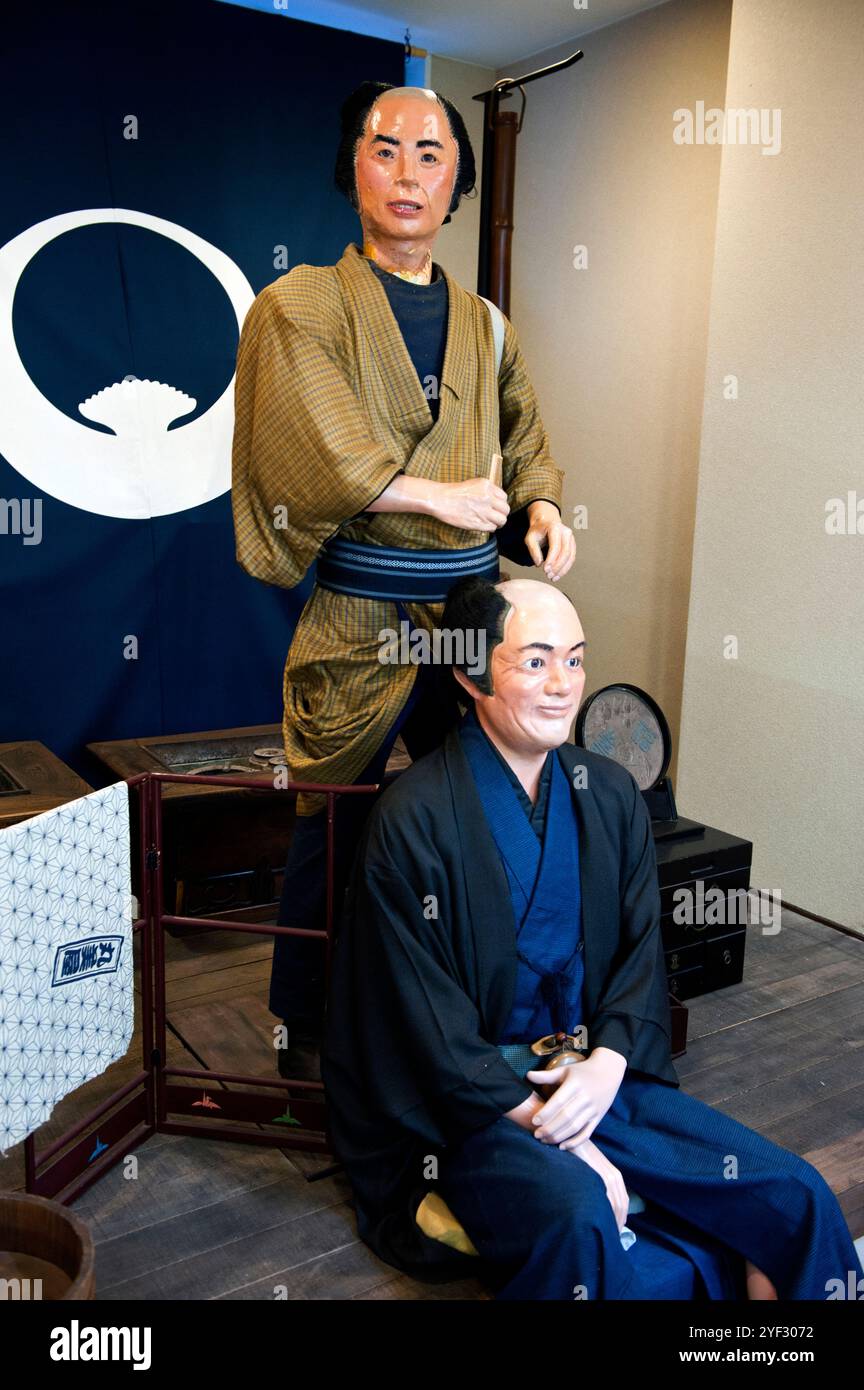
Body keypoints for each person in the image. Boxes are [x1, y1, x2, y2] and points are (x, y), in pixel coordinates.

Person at [321, 576, 864, 1300]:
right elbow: (422, 1026)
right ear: (470, 672)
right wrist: (567, 1139)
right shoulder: (412, 819)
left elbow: (641, 959)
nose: (562, 685)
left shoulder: (608, 795)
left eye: (575, 661)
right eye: (536, 661)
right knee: (581, 1215)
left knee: (790, 1194)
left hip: (598, 1075)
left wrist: (608, 1064)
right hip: (477, 1106)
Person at [231, 81, 575, 1050]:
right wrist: (431, 495)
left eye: (431, 154)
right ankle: (302, 1029)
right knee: (329, 825)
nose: (407, 172)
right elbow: (311, 446)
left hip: (469, 605)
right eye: (385, 148)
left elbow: (525, 431)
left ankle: (464, 1007)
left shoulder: (488, 323)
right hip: (361, 606)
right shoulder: (298, 306)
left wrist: (541, 504)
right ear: (353, 165)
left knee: (484, 809)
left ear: (457, 179)